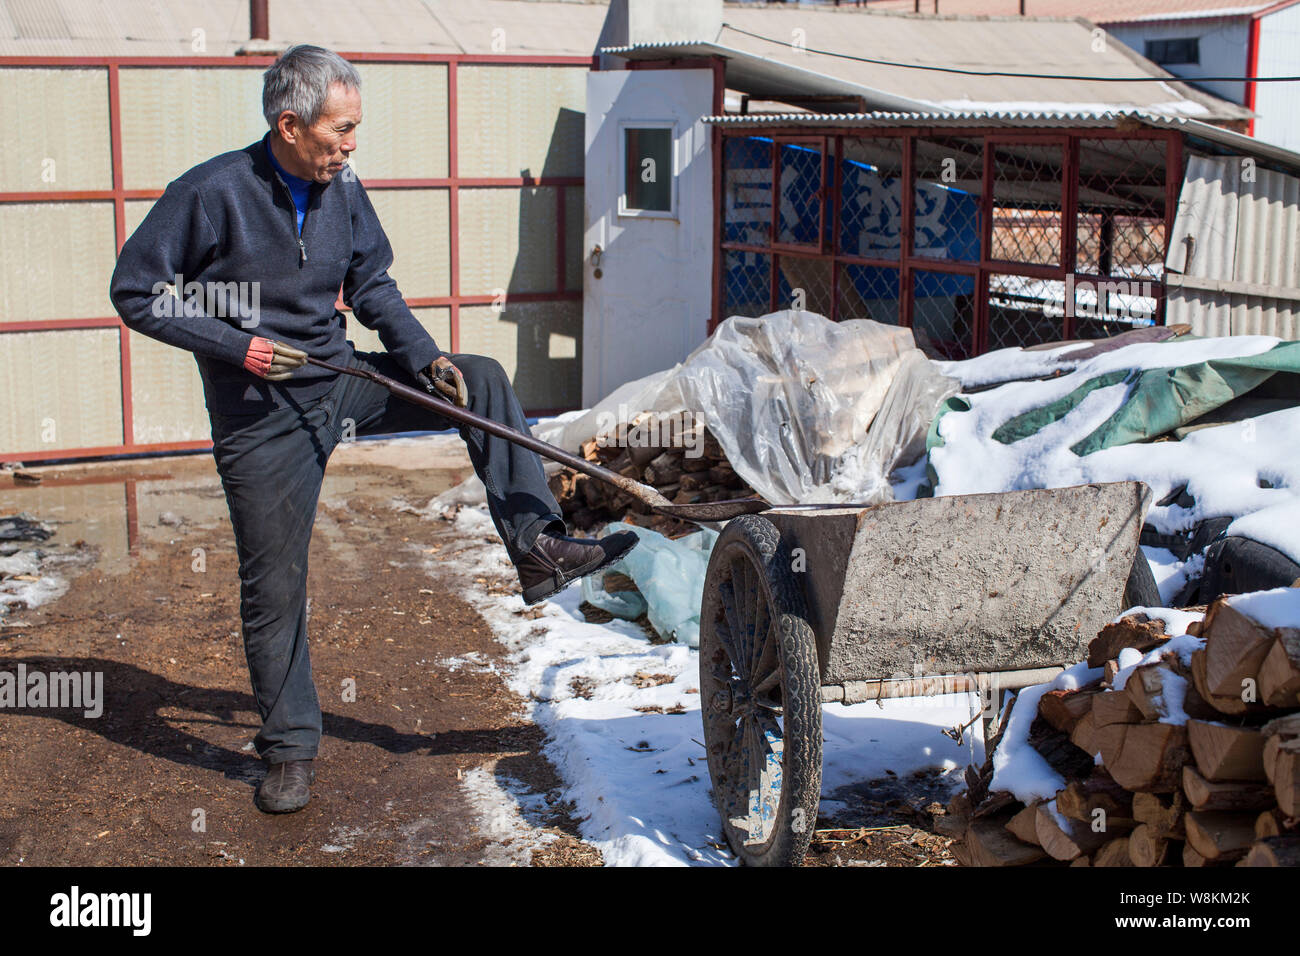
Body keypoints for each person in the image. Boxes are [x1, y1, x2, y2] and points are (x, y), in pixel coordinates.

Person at [109, 44, 637, 814]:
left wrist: (425, 360)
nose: (352, 144)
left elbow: (372, 283)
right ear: (291, 124)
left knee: (480, 375)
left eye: (355, 129)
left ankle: (536, 547)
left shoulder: (340, 186)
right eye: (341, 129)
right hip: (262, 422)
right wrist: (238, 346)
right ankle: (288, 750)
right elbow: (138, 290)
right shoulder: (212, 193)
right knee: (275, 588)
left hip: (339, 383)